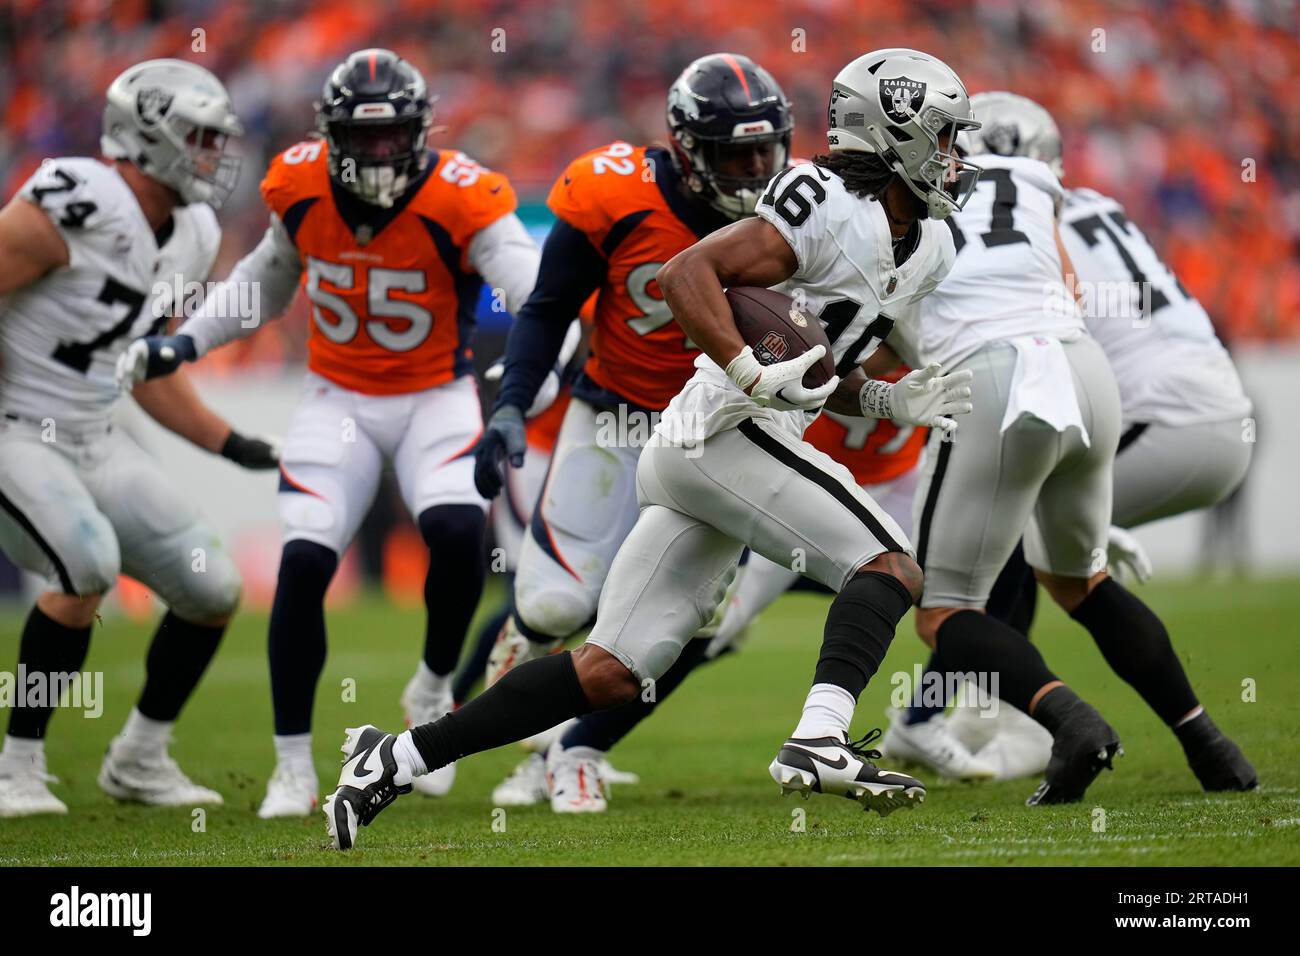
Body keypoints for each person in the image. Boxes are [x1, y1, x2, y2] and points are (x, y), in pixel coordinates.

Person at [322, 47, 981, 850]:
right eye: (943, 138)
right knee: (889, 565)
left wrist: (882, 396)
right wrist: (747, 370)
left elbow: (817, 361)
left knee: (609, 671)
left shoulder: (933, 245)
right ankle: (819, 738)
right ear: (894, 134)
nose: (955, 157)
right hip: (724, 428)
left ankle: (392, 758)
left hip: (712, 444)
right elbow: (686, 273)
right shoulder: (825, 202)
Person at [120, 49, 543, 816]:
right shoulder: (301, 183)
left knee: (455, 530)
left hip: (434, 395)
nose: (379, 154)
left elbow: (532, 292)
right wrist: (187, 342)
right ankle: (291, 764)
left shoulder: (464, 195)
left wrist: (522, 386)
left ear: (420, 133)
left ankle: (434, 690)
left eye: (393, 138)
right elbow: (264, 281)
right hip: (336, 397)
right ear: (331, 135)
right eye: (362, 138)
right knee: (306, 560)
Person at [895, 93, 1256, 792]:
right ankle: (1209, 744)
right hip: (1088, 375)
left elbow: (888, 315)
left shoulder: (907, 191)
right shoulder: (1038, 188)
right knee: (1076, 578)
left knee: (944, 610)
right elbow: (1064, 293)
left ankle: (1059, 722)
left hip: (1005, 379)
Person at [0, 59, 274, 816]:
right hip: (16, 428)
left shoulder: (193, 230)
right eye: (199, 138)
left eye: (218, 142)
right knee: (85, 567)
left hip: (94, 432)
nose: (214, 157)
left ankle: (139, 758)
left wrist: (232, 444)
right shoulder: (77, 200)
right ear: (145, 133)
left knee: (212, 589)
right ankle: (15, 767)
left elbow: (143, 365)